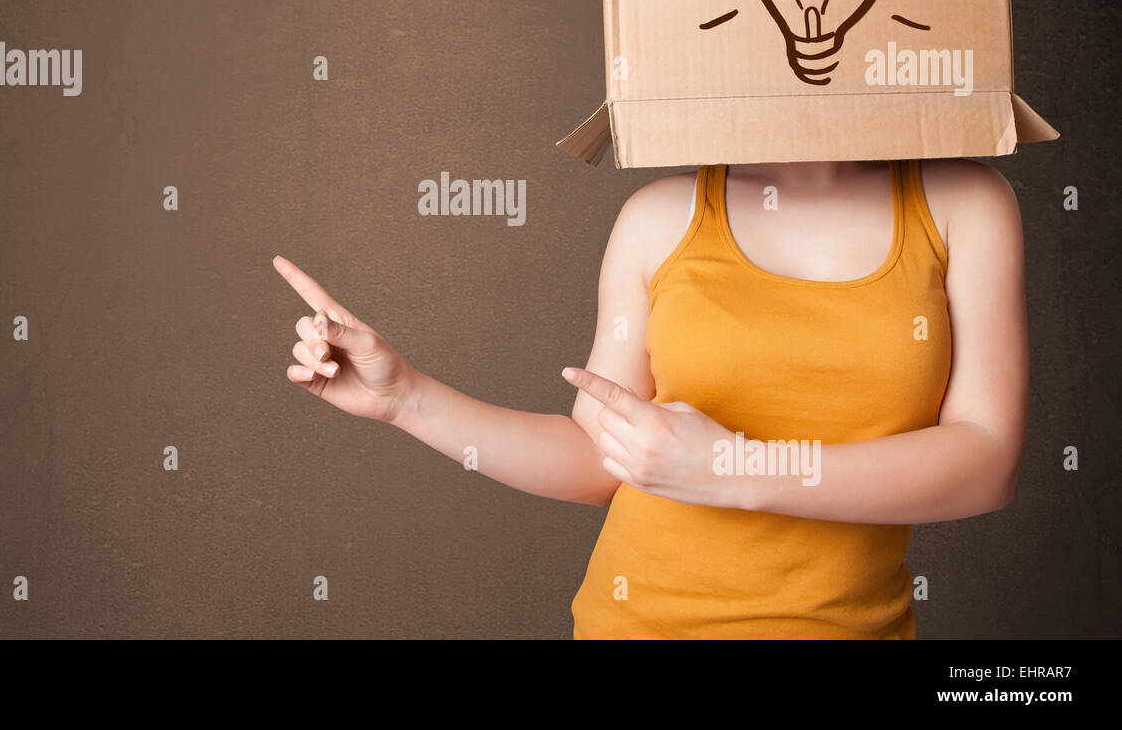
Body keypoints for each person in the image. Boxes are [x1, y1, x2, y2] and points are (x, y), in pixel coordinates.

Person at [273, 156, 1028, 638]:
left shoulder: (962, 200)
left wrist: (736, 470)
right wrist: (405, 397)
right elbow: (602, 462)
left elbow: (986, 459)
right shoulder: (660, 216)